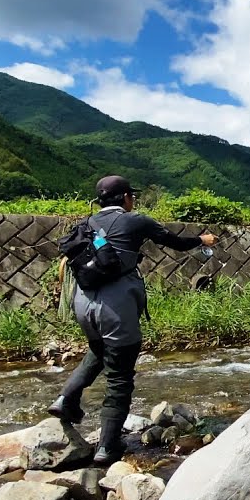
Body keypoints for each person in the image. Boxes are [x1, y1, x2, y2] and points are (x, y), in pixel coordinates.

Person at [48, 175, 217, 464]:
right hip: (116, 307)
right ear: (126, 197)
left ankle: (66, 399)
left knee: (99, 350)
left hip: (83, 304)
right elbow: (174, 243)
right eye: (131, 196)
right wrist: (202, 239)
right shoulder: (136, 220)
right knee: (120, 378)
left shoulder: (86, 224)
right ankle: (107, 447)